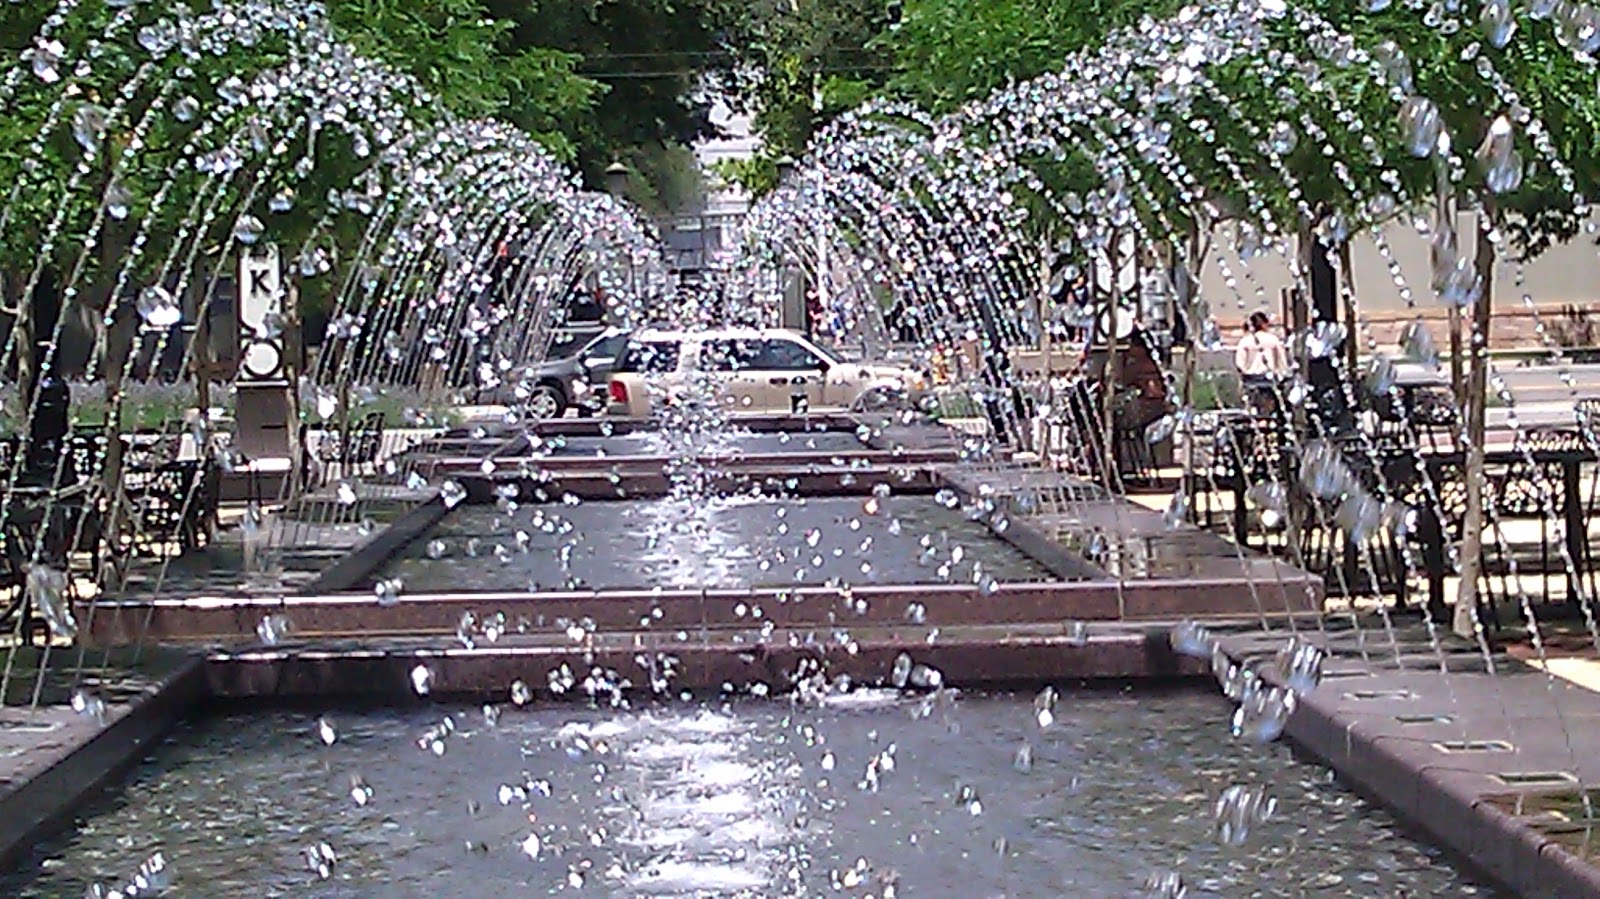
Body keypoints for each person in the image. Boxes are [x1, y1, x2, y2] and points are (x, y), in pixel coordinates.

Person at [1233, 311, 1289, 409]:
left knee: (1252, 406)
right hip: (1269, 379)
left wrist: (1245, 372)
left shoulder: (1245, 341)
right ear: (1265, 324)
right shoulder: (1273, 340)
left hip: (1250, 379)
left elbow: (1239, 363)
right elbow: (1282, 360)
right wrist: (1282, 373)